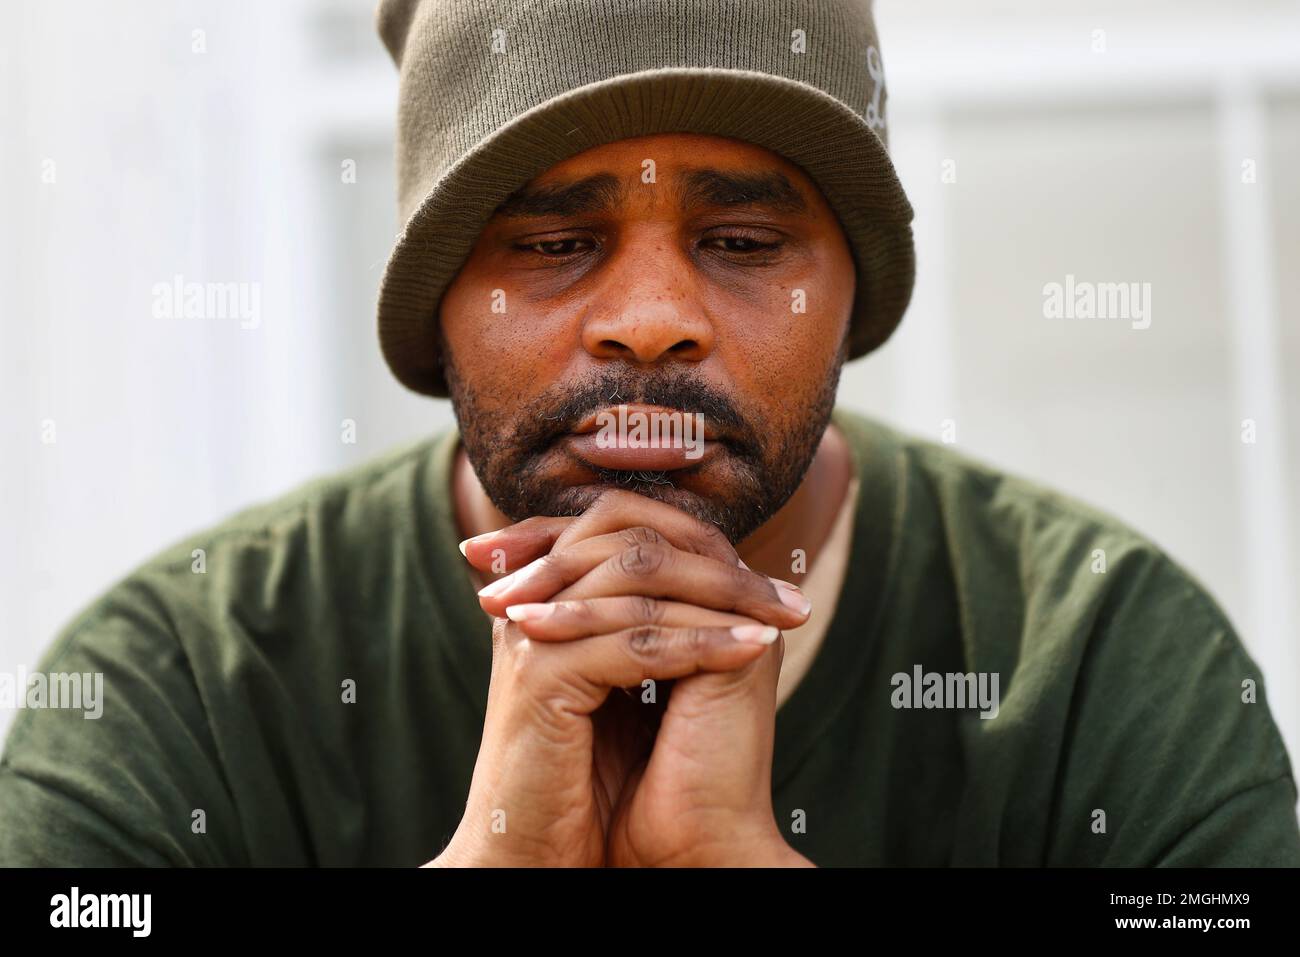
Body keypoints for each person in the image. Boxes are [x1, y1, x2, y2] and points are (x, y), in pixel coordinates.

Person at [2, 0, 1296, 867]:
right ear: (434, 294)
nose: (651, 322)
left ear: (856, 284)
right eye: (554, 245)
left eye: (741, 244)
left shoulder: (1104, 665)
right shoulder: (177, 693)